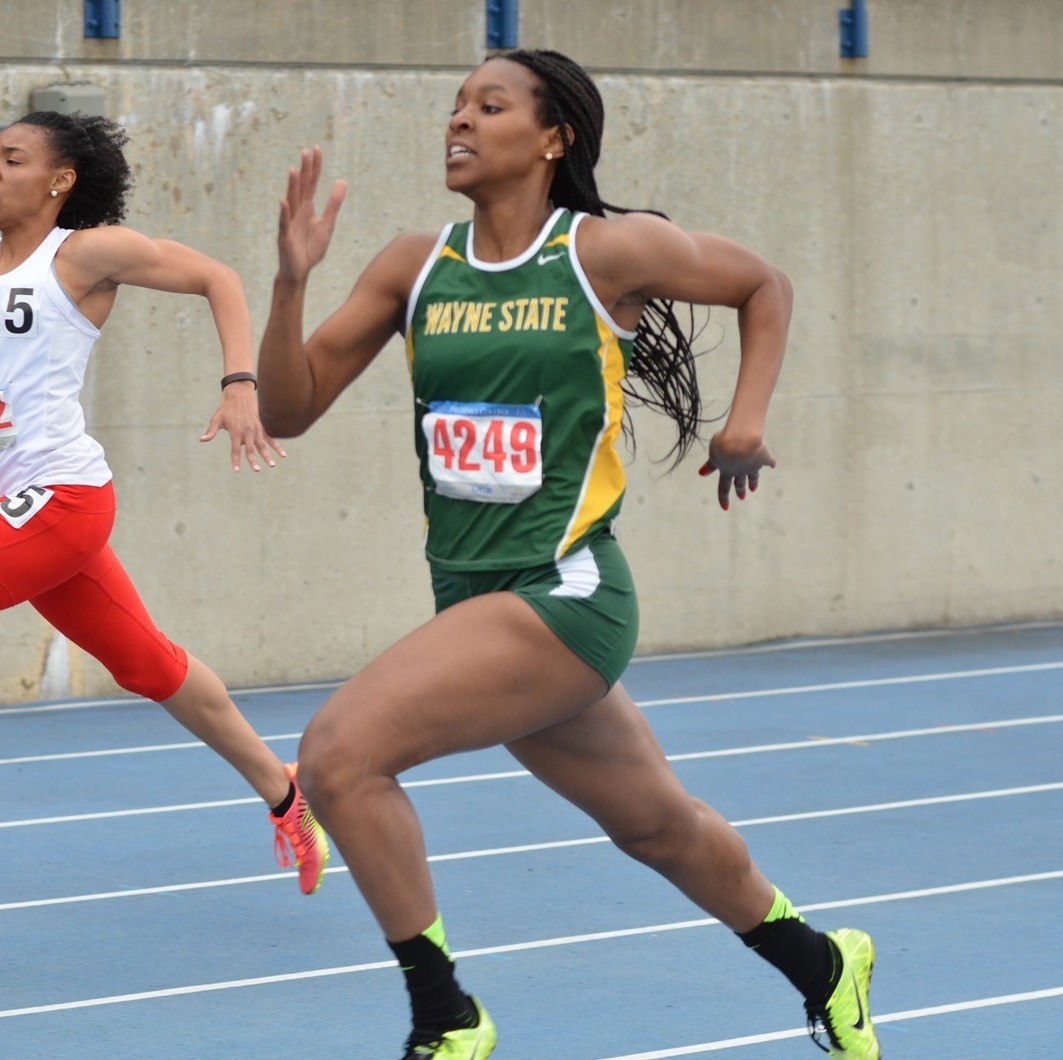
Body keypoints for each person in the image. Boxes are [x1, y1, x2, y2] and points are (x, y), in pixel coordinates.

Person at [257, 49, 880, 1058]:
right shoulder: (414, 265)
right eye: (454, 105)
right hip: (472, 601)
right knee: (656, 828)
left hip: (565, 594)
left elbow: (762, 283)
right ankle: (821, 962)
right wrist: (289, 282)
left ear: (554, 138)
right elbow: (287, 406)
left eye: (488, 106)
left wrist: (746, 417)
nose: (458, 121)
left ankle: (443, 1013)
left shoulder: (605, 254)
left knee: (338, 755)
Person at [0, 111, 329, 896]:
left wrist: (240, 383)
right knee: (149, 664)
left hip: (62, 499)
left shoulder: (80, 255)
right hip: (18, 504)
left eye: (9, 158)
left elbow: (219, 277)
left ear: (59, 181)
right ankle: (287, 792)